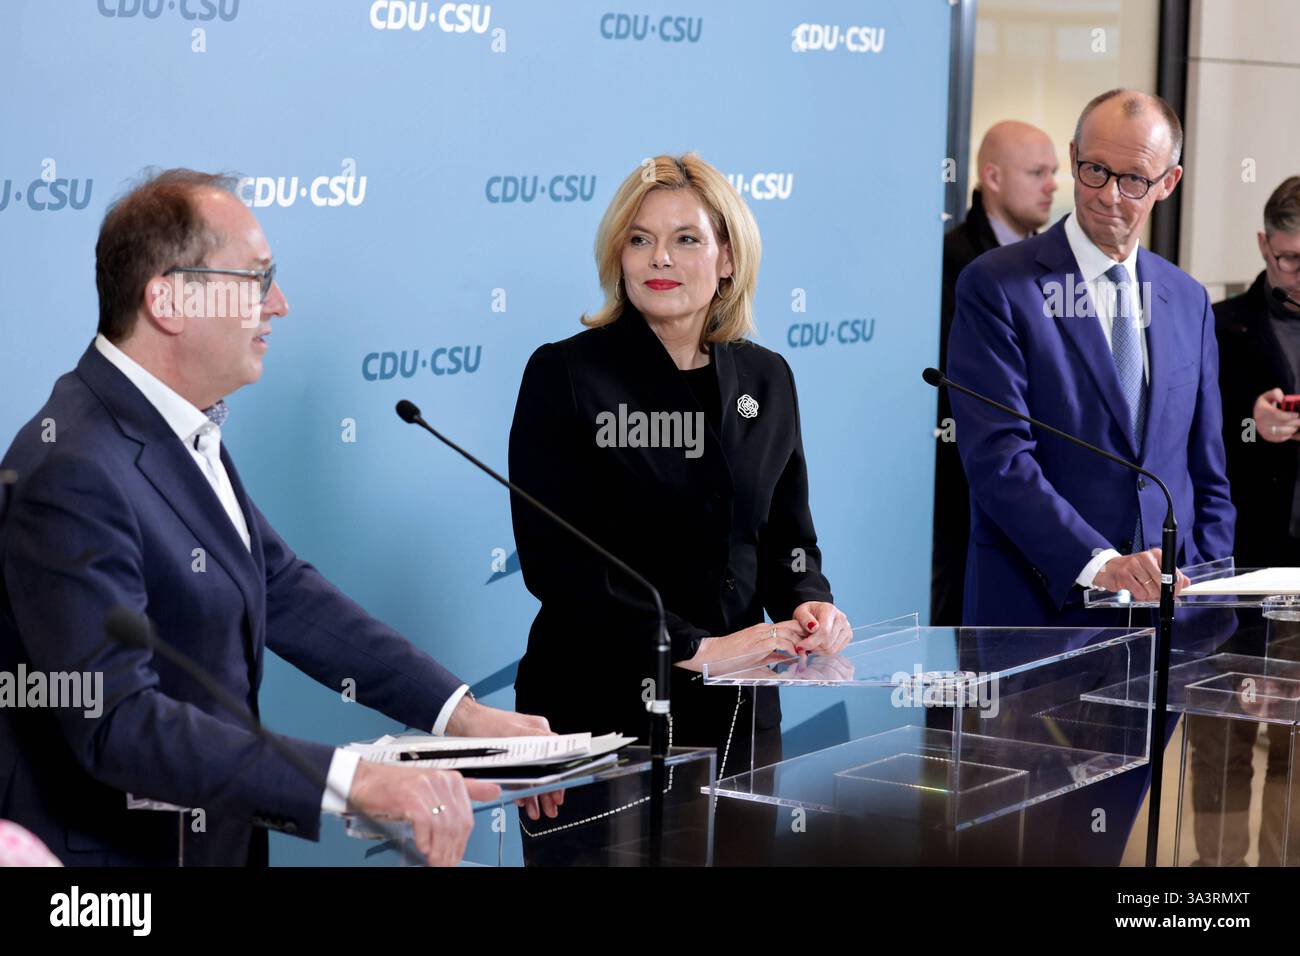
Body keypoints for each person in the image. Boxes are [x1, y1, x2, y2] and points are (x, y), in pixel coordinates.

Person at [0, 169, 555, 867]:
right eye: (257, 279)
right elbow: (118, 723)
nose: (280, 304)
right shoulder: (74, 467)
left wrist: (462, 716)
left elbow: (284, 589)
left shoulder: (172, 427)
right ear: (167, 299)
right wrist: (358, 781)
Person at [507, 153, 852, 863]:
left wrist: (810, 604)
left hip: (737, 715)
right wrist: (696, 646)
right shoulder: (566, 375)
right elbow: (559, 565)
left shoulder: (767, 376)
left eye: (686, 239)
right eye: (639, 239)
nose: (659, 257)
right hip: (600, 709)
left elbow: (788, 536)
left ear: (728, 257)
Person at [946, 90, 1236, 864]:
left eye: (1133, 179)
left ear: (1169, 182)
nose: (1110, 195)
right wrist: (1103, 564)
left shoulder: (1186, 299)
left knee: (1103, 849)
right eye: (1092, 171)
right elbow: (999, 461)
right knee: (1041, 848)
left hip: (1164, 644)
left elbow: (1206, 472)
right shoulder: (997, 284)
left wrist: (1207, 588)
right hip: (1042, 628)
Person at [1202, 174, 1300, 866]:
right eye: (1289, 259)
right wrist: (1250, 427)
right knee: (1223, 739)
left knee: (1297, 751)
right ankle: (1216, 885)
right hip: (1239, 567)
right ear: (1263, 245)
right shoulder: (1221, 325)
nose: (1299, 274)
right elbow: (1190, 440)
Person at [933, 120, 1058, 625]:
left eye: (1054, 172)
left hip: (1042, 478)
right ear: (993, 177)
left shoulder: (1053, 265)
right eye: (1037, 172)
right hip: (963, 480)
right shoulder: (952, 262)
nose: (1053, 184)